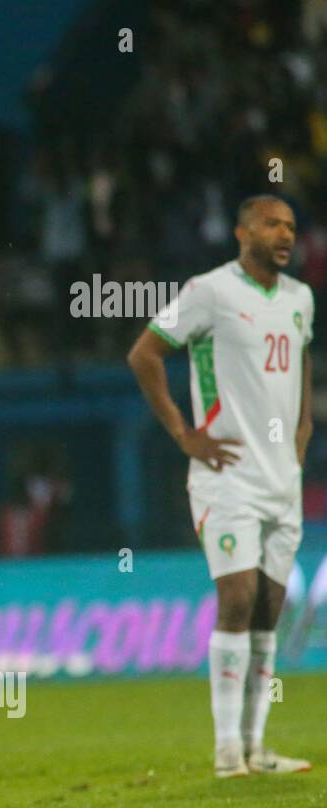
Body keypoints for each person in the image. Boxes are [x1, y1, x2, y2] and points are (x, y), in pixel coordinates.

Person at [127, 194, 314, 778]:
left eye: (290, 225)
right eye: (271, 224)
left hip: (282, 482)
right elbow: (144, 355)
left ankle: (257, 749)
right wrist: (184, 433)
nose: (284, 234)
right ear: (241, 232)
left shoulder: (300, 299)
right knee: (235, 599)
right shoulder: (209, 291)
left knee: (269, 611)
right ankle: (226, 749)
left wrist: (299, 447)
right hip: (225, 476)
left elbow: (303, 381)